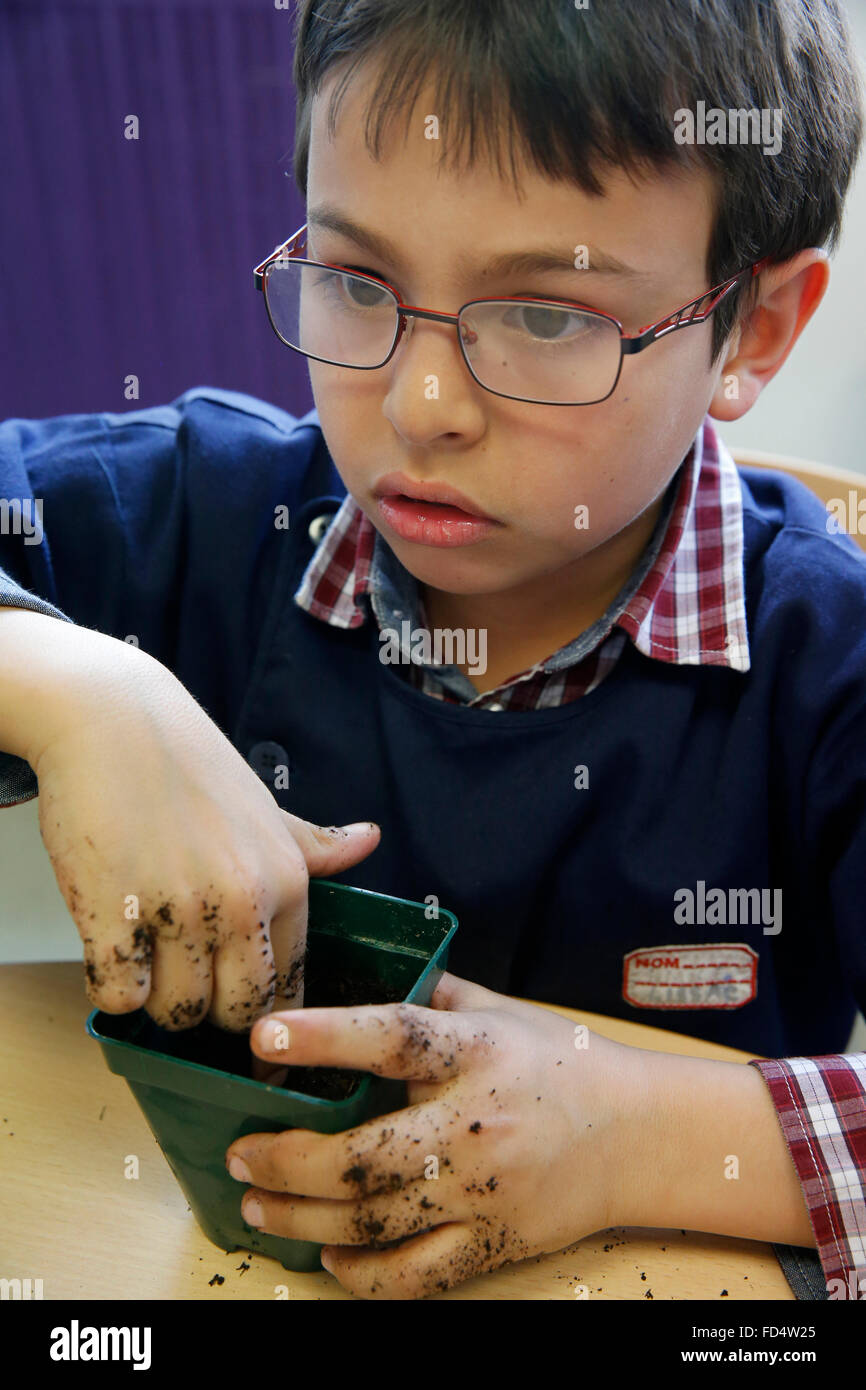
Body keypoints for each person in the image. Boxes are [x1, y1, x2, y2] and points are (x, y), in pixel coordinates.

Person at [0, 0, 864, 1301]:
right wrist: (72, 686)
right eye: (356, 284)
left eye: (546, 317)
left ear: (748, 328)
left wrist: (627, 1134)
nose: (419, 406)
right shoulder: (199, 511)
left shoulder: (826, 659)